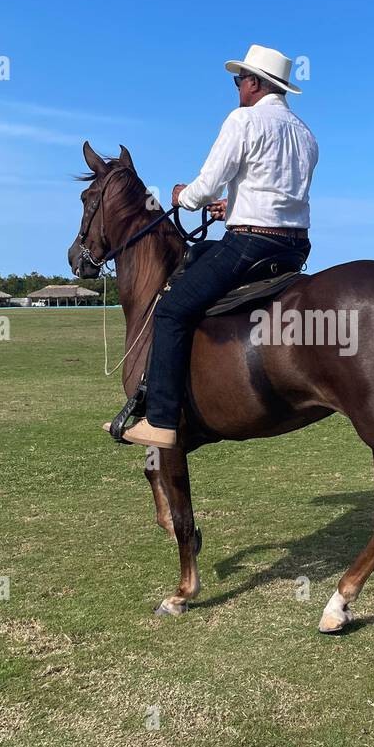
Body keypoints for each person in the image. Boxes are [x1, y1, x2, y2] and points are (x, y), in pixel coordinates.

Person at [116, 45, 318, 448]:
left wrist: (181, 196)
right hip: (294, 249)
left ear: (256, 83)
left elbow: (205, 185)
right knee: (195, 260)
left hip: (250, 245)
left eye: (238, 80)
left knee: (172, 309)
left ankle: (160, 419)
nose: (236, 87)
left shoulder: (243, 120)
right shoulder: (305, 134)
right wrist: (231, 206)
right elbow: (278, 196)